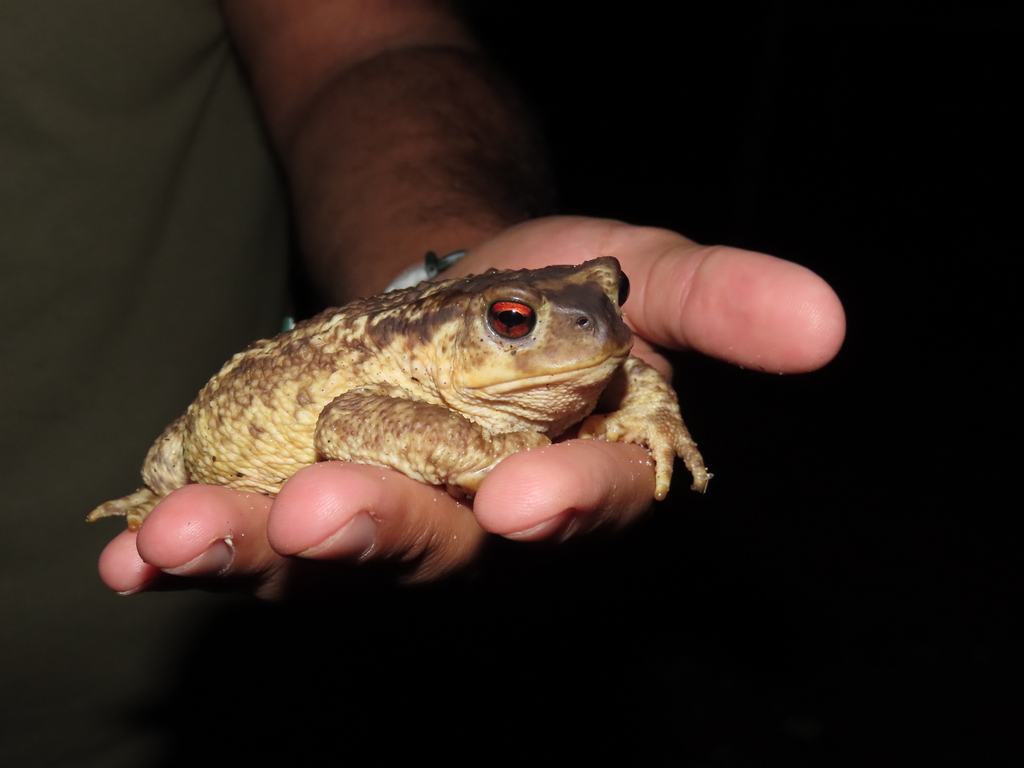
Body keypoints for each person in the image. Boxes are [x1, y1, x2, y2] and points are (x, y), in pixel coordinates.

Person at [1, 0, 844, 764]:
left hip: (246, 691)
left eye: (609, 293)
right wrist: (487, 452)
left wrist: (650, 408)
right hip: (222, 450)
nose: (597, 324)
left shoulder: (584, 348)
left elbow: (365, 50)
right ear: (457, 339)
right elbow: (348, 420)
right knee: (165, 469)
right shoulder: (406, 376)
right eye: (514, 320)